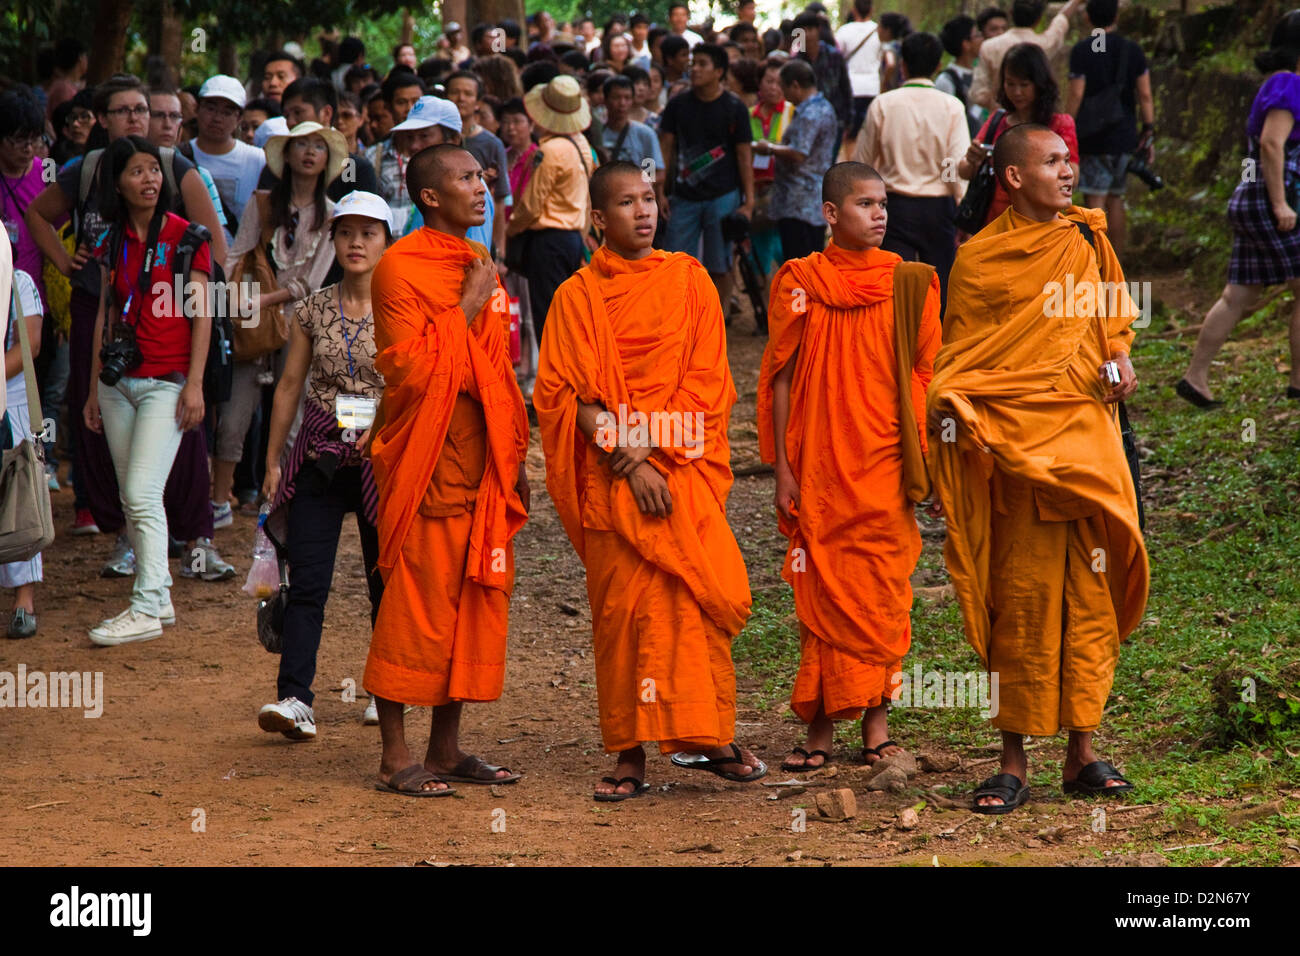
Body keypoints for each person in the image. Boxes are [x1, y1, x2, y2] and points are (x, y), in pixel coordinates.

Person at [927, 123, 1148, 812]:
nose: (1068, 171)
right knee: (1018, 601)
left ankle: (1084, 749)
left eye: (1069, 160)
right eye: (1052, 161)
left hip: (1083, 440)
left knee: (1090, 596)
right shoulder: (979, 261)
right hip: (1016, 453)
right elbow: (961, 360)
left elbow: (1112, 322)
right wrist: (958, 418)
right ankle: (1013, 757)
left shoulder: (1088, 239)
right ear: (1014, 177)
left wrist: (1121, 360)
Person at [534, 160, 764, 799]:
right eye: (627, 203)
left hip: (681, 471)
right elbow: (565, 397)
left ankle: (708, 735)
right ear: (598, 220)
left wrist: (653, 457)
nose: (644, 212)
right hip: (612, 477)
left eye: (650, 200)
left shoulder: (690, 281)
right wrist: (631, 463)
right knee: (622, 614)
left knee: (689, 605)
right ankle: (628, 751)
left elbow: (708, 388)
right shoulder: (576, 296)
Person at [758, 161, 940, 769]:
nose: (880, 214)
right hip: (821, 462)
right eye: (865, 204)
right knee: (824, 591)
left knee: (882, 594)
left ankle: (877, 728)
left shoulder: (909, 281)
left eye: (883, 203)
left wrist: (924, 453)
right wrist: (782, 466)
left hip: (886, 458)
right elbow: (780, 377)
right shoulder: (801, 281)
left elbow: (924, 372)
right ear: (831, 214)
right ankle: (818, 731)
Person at [364, 144, 530, 795]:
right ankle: (394, 756)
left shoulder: (477, 263)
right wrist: (466, 304)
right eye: (465, 178)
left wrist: (514, 454)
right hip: (425, 463)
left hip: (482, 459)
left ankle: (444, 749)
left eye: (482, 176)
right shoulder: (399, 269)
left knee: (469, 601)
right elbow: (410, 371)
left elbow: (495, 371)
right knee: (415, 609)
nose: (481, 186)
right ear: (430, 197)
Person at [25, 74, 226, 562]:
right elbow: (38, 214)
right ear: (101, 118)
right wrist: (64, 260)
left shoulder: (174, 167)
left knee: (182, 426)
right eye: (126, 110)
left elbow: (214, 249)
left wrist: (199, 309)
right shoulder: (87, 168)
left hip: (168, 317)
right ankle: (127, 536)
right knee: (99, 423)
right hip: (101, 308)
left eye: (146, 109)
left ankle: (195, 539)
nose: (139, 118)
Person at [258, 191, 391, 738]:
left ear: (387, 241)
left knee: (387, 579)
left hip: (383, 459)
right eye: (345, 233)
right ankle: (295, 700)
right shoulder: (313, 307)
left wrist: (383, 435)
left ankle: (388, 696)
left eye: (368, 233)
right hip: (317, 453)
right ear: (333, 240)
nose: (356, 243)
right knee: (308, 581)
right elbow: (289, 384)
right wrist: (271, 460)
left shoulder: (404, 306)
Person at [82, 137, 212, 645]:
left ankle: (145, 605)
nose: (150, 180)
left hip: (167, 383)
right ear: (117, 183)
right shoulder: (111, 241)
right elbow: (105, 317)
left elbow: (203, 315)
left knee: (140, 493)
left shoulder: (186, 238)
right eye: (137, 172)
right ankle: (159, 596)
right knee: (136, 495)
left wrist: (195, 384)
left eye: (153, 171)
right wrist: (95, 388)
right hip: (119, 384)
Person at [211, 122, 343, 523]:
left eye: (318, 146)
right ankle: (219, 502)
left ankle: (279, 496)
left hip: (299, 324)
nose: (309, 152)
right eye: (301, 144)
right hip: (251, 320)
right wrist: (228, 297)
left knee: (292, 413)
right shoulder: (262, 203)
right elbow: (238, 253)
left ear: (326, 160)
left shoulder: (332, 215)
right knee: (234, 413)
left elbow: (313, 283)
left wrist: (261, 300)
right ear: (286, 155)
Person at [1179, 11, 1300, 407]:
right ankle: (1299, 381)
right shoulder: (1288, 84)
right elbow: (1271, 143)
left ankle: (1195, 378)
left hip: (1251, 200)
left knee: (1237, 295)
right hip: (1272, 203)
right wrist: (1281, 203)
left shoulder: (1275, 84)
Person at [853, 32, 970, 304]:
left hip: (893, 208)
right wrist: (961, 206)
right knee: (939, 292)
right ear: (938, 65)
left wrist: (861, 207)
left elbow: (863, 164)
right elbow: (954, 164)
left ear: (903, 64)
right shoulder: (952, 107)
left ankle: (897, 345)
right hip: (939, 209)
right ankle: (934, 344)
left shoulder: (882, 104)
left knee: (895, 293)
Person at [659, 44, 755, 308]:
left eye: (702, 63)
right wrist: (656, 193)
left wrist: (749, 201)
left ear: (719, 71)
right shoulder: (677, 105)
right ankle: (677, 317)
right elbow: (663, 150)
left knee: (720, 264)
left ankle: (717, 318)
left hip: (723, 197)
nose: (695, 68)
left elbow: (744, 156)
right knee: (674, 262)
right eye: (694, 62)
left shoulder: (735, 108)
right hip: (683, 197)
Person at [1065, 0, 1154, 259]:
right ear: (1116, 15)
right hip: (1124, 135)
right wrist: (1148, 131)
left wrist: (1065, 128)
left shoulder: (1081, 51)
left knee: (1095, 201)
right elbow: (1145, 95)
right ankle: (1117, 262)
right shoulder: (1132, 50)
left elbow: (1076, 94)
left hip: (1092, 137)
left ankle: (1098, 264)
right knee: (1116, 198)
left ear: (1087, 18)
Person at [508, 76, 594, 343]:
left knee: (549, 320)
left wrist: (510, 230)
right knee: (568, 317)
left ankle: (555, 380)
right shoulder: (581, 145)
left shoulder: (550, 150)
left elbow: (532, 205)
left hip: (548, 243)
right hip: (571, 239)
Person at [958, 43, 1080, 228]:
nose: (1017, 92)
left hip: (1041, 221)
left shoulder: (1059, 125)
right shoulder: (997, 121)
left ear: (1039, 84)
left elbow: (1073, 175)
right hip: (995, 222)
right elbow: (964, 171)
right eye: (1010, 84)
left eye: (1024, 85)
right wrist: (973, 158)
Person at [755, 59, 837, 262]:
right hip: (804, 199)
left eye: (784, 88)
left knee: (800, 264)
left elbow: (799, 153)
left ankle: (800, 296)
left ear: (795, 86)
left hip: (801, 201)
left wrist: (769, 148)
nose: (783, 94)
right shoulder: (821, 107)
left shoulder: (811, 113)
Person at [3, 267, 45, 637]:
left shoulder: (19, 279)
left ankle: (23, 601)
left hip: (11, 400)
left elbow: (30, 344)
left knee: (19, 502)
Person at [264, 78, 380, 201]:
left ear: (326, 113)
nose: (290, 122)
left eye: (298, 112)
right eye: (286, 116)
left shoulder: (354, 169)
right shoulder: (276, 167)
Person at [189, 74, 267, 247]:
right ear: (196, 108)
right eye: (210, 108)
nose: (217, 118)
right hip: (190, 261)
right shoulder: (179, 156)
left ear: (239, 118)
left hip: (241, 263)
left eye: (227, 112)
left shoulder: (257, 159)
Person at [971, 0, 1082, 110]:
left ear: (1011, 13)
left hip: (1001, 119)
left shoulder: (990, 46)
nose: (1017, 93)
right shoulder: (1043, 44)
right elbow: (1060, 22)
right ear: (1039, 19)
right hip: (1035, 119)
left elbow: (978, 94)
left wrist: (998, 103)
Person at [446, 72, 510, 258]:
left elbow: (499, 201)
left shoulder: (492, 144)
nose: (461, 99)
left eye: (468, 93)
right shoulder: (436, 139)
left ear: (478, 102)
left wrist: (499, 249)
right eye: (455, 92)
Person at [791, 12, 853, 149]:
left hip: (834, 119)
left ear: (818, 30)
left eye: (810, 30)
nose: (806, 35)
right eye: (802, 31)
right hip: (806, 122)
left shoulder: (834, 56)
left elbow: (845, 86)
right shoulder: (796, 62)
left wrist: (848, 119)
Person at [837, 0, 883, 144]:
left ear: (854, 10)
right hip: (872, 88)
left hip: (851, 88)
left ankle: (850, 165)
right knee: (869, 135)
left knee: (850, 135)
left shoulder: (844, 31)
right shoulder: (879, 31)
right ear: (871, 9)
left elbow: (837, 57)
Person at [936, 15, 985, 137]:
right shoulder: (947, 80)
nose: (982, 39)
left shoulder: (981, 73)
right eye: (977, 35)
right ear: (966, 44)